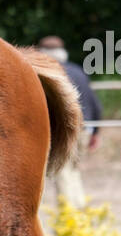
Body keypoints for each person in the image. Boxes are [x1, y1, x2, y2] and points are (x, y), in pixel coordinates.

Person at [37, 35, 101, 209]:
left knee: (62, 172)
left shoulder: (48, 73)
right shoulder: (78, 71)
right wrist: (96, 132)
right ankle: (80, 210)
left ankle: (69, 216)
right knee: (73, 170)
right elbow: (95, 104)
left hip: (65, 129)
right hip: (85, 128)